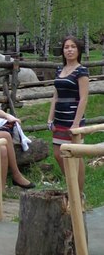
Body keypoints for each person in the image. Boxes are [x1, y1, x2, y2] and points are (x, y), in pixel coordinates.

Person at [47, 35, 89, 194]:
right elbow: (55, 96)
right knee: (58, 154)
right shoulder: (60, 70)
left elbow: (84, 98)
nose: (69, 50)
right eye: (66, 47)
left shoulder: (81, 71)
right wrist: (50, 119)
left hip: (73, 119)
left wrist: (76, 124)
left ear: (78, 50)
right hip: (59, 119)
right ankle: (72, 185)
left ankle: (79, 193)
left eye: (73, 47)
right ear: (63, 51)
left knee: (76, 156)